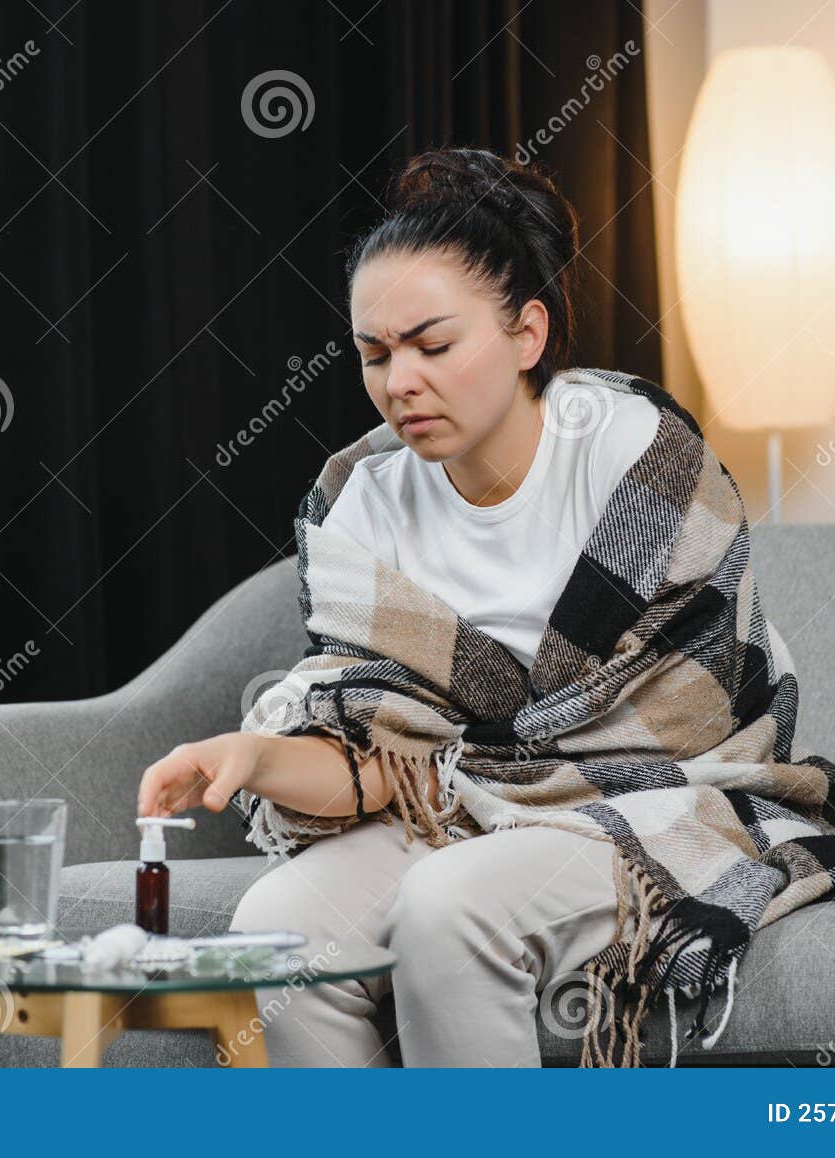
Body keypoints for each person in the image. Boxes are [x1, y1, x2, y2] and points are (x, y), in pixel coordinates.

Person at [136, 146, 675, 1066]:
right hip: (461, 807)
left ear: (527, 335)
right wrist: (252, 755)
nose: (400, 382)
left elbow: (681, 705)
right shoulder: (363, 500)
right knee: (277, 931)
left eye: (434, 346)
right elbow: (389, 761)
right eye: (375, 355)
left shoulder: (631, 453)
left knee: (447, 905)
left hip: (644, 797)